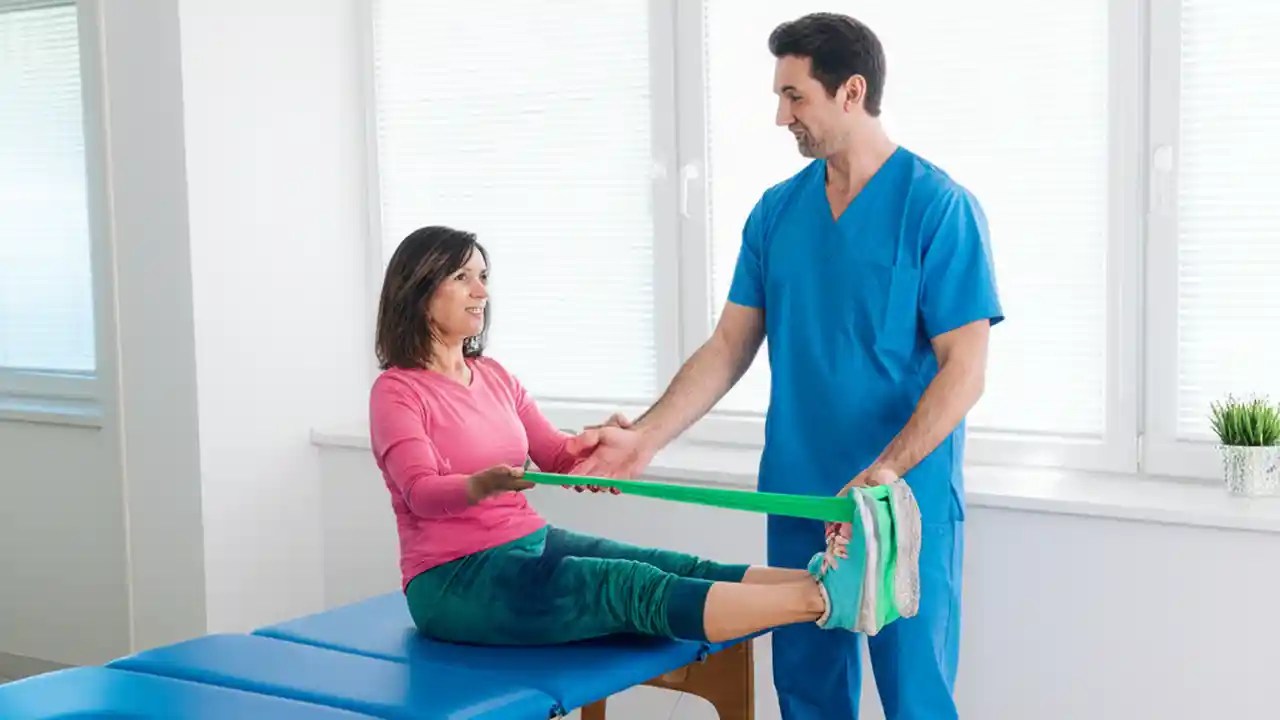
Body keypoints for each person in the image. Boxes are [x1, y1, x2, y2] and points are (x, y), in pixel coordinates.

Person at [573, 12, 1003, 720]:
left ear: (851, 92)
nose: (781, 116)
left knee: (916, 699)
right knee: (806, 694)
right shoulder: (776, 214)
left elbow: (966, 368)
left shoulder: (937, 209)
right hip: (802, 496)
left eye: (794, 95)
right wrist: (644, 437)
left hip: (900, 506)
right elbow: (728, 346)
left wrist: (886, 469)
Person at [367, 224, 867, 648]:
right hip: (454, 578)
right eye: (462, 278)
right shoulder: (397, 392)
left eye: (483, 276)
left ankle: (837, 580)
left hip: (528, 541)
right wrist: (481, 484)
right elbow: (420, 493)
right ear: (420, 290)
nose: (482, 292)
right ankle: (825, 600)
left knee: (675, 565)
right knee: (626, 585)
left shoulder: (493, 375)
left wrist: (595, 443)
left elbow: (556, 456)